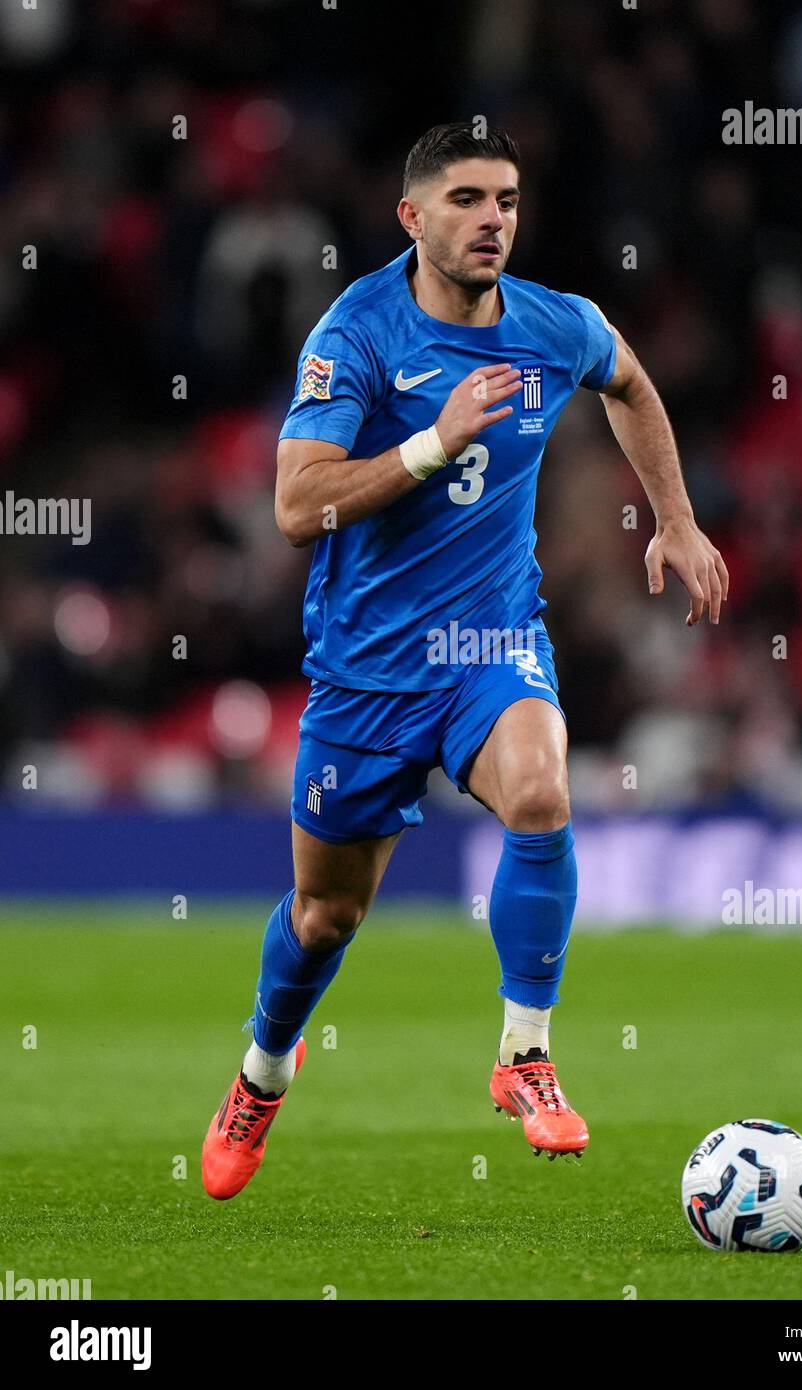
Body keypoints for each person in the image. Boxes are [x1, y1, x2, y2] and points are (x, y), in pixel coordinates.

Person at [202, 121, 728, 1199]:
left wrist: (674, 518)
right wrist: (432, 442)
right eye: (467, 200)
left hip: (492, 644)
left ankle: (523, 1054)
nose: (493, 220)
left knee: (542, 792)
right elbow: (296, 506)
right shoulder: (356, 335)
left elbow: (628, 382)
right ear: (412, 216)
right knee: (323, 917)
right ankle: (261, 1072)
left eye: (508, 200)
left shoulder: (551, 323)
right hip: (366, 671)